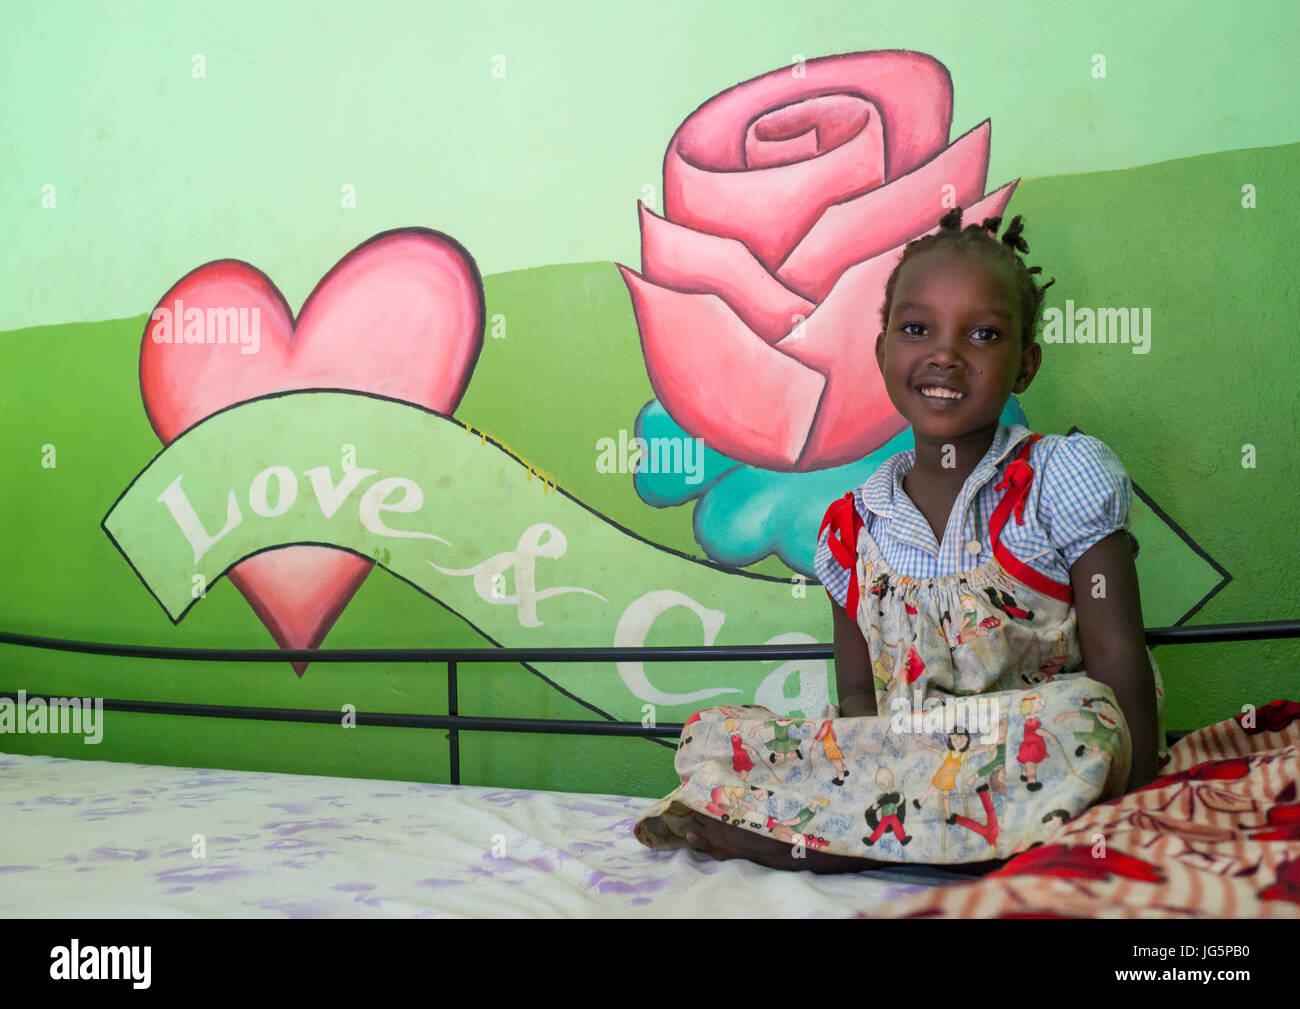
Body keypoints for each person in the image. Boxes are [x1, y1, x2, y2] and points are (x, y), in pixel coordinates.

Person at [631, 207, 1168, 872]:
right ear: (882, 349)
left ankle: (821, 843)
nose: (945, 353)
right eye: (917, 329)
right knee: (724, 735)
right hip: (906, 764)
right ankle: (903, 834)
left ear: (1025, 365)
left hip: (1036, 761)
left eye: (983, 333)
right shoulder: (851, 529)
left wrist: (1142, 812)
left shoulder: (1063, 478)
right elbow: (859, 699)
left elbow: (1120, 663)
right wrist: (862, 757)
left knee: (1089, 713)